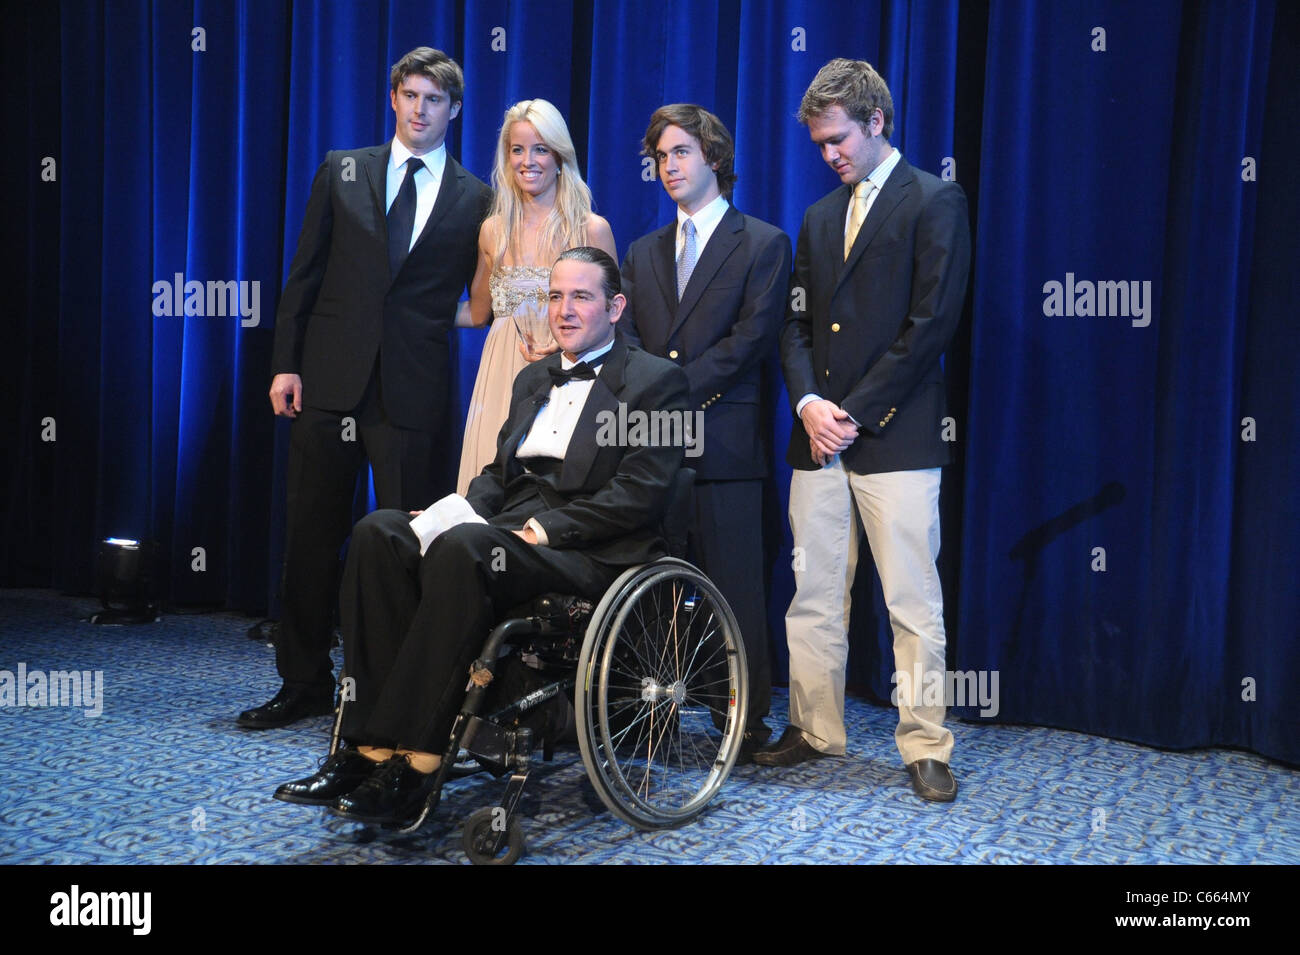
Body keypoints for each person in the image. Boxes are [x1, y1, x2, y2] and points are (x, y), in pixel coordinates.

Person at [273, 248, 690, 826]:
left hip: (588, 551)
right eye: (555, 297)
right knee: (381, 532)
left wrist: (545, 528)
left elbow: (641, 494)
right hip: (508, 529)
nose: (564, 311)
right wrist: (457, 510)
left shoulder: (657, 381)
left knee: (466, 548)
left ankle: (418, 763)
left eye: (581, 297)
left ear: (615, 306)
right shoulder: (532, 377)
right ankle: (368, 750)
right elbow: (499, 475)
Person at [242, 48, 492, 729]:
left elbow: (479, 300)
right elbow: (305, 273)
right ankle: (301, 681)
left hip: (411, 391)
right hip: (327, 381)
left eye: (434, 99)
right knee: (311, 536)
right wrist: (285, 363)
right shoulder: (342, 170)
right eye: (410, 95)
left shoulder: (479, 198)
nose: (420, 109)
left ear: (455, 109)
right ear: (392, 98)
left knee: (410, 542)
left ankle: (397, 690)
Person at [754, 59, 971, 804]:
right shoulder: (818, 217)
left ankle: (925, 743)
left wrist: (855, 410)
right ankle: (815, 728)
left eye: (838, 139)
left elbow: (932, 322)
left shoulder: (935, 200)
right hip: (818, 439)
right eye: (819, 144)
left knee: (912, 600)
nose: (829, 155)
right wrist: (810, 404)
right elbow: (797, 325)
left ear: (877, 122)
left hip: (896, 435)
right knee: (812, 592)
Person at [618, 104, 790, 759]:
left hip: (725, 443)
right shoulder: (641, 251)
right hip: (654, 449)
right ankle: (651, 711)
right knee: (653, 587)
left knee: (734, 588)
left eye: (682, 152)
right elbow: (627, 338)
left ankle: (738, 720)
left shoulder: (765, 243)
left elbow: (751, 340)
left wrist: (669, 387)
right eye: (661, 156)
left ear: (714, 157)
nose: (670, 167)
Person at [456, 99, 617, 495]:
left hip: (570, 375)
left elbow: (615, 319)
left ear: (560, 156)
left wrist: (565, 343)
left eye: (540, 149)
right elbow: (478, 313)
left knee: (547, 492)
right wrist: (403, 308)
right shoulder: (493, 231)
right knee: (490, 487)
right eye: (517, 149)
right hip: (500, 378)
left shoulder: (590, 229)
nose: (528, 160)